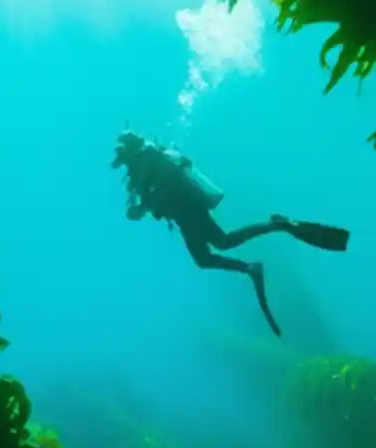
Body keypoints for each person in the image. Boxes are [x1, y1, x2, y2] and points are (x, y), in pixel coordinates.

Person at [112, 129, 349, 337]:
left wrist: (147, 202)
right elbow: (138, 210)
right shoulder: (137, 173)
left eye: (122, 153)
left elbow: (169, 181)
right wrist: (137, 207)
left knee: (221, 244)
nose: (121, 160)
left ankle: (272, 231)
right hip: (183, 216)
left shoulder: (150, 156)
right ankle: (255, 258)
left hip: (191, 209)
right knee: (208, 256)